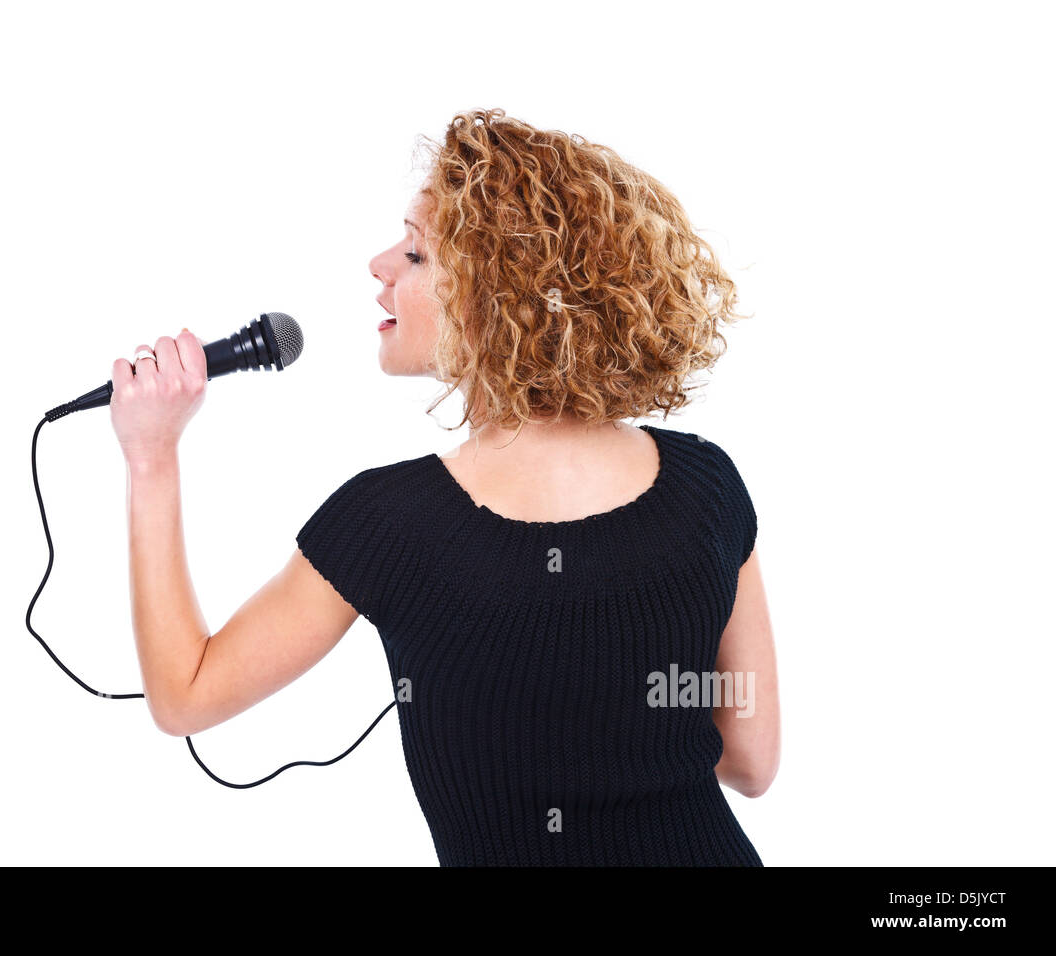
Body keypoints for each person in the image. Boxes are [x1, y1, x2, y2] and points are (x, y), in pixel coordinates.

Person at [109, 108, 780, 866]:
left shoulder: (389, 524)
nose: (379, 264)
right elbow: (751, 761)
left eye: (418, 254)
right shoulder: (708, 485)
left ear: (502, 294)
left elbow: (185, 693)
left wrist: (151, 458)